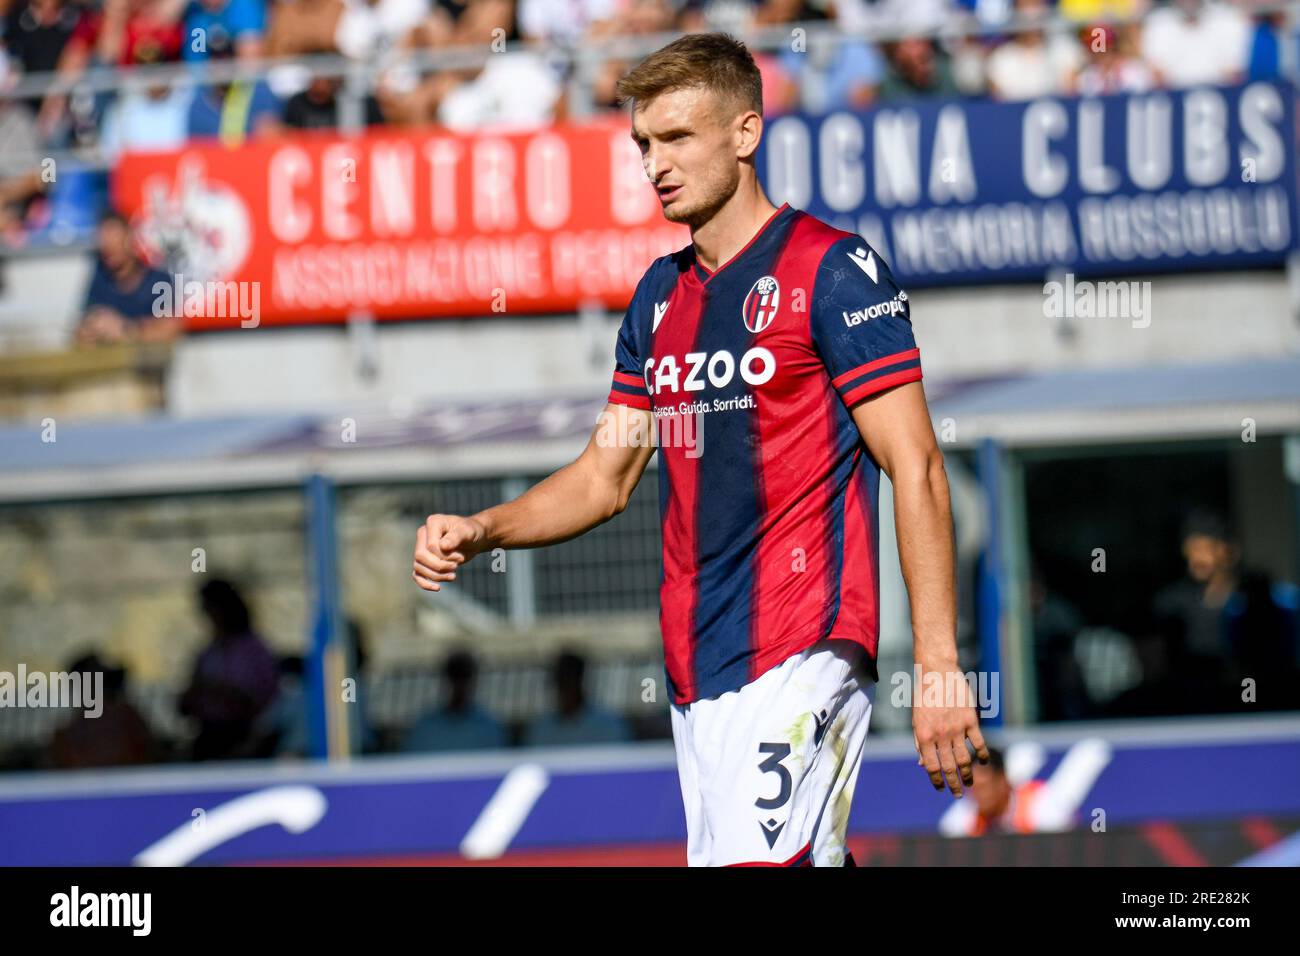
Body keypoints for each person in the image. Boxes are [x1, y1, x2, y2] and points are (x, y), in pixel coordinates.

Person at [413, 32, 986, 866]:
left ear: (746, 133)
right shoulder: (657, 299)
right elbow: (604, 477)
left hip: (805, 643)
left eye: (678, 138)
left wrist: (937, 666)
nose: (655, 164)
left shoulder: (833, 270)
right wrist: (486, 527)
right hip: (697, 663)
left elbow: (919, 468)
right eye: (644, 144)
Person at [179, 578, 281, 761]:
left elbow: (267, 700)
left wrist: (224, 692)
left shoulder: (253, 651)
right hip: (209, 737)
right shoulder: (208, 653)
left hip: (244, 738)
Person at [75, 211, 180, 346]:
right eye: (105, 244)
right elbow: (82, 325)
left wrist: (125, 330)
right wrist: (88, 332)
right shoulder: (100, 278)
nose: (109, 249)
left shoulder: (158, 281)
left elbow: (170, 330)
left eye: (115, 241)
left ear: (130, 241)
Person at [402, 649, 507, 752]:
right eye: (455, 675)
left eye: (465, 676)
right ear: (445, 679)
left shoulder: (488, 727)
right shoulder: (425, 728)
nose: (460, 684)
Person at [522, 651, 630, 748]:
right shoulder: (541, 728)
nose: (565, 689)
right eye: (561, 681)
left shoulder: (608, 724)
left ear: (580, 681)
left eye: (569, 680)